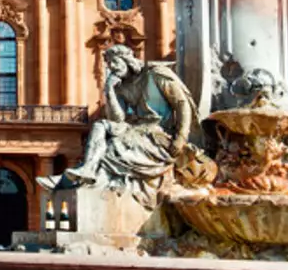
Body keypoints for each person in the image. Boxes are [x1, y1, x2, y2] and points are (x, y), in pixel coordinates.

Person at [37, 45, 197, 209]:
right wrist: (110, 91)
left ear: (127, 59)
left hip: (159, 134)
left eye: (114, 62)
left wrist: (181, 137)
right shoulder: (122, 86)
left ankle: (69, 181)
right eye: (108, 65)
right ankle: (86, 170)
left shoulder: (155, 74)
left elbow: (182, 104)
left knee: (112, 147)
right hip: (136, 129)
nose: (111, 67)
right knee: (101, 125)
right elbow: (117, 119)